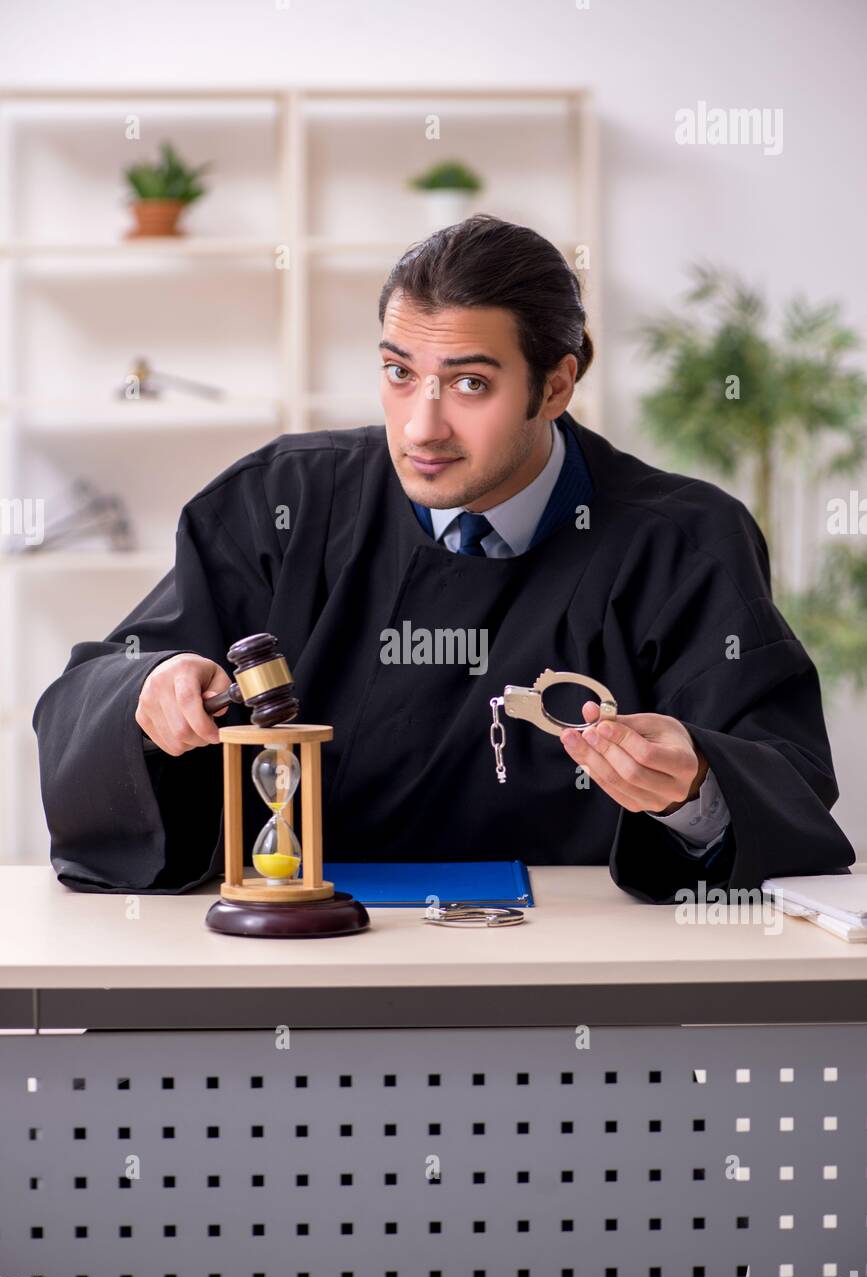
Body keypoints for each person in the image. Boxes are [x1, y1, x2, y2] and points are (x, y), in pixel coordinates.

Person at [32, 214, 854, 902]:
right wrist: (149, 693)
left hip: (574, 995)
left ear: (557, 385)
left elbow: (783, 795)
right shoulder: (278, 503)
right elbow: (84, 696)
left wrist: (692, 792)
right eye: (398, 373)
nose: (421, 427)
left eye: (468, 385)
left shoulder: (680, 539)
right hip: (283, 972)